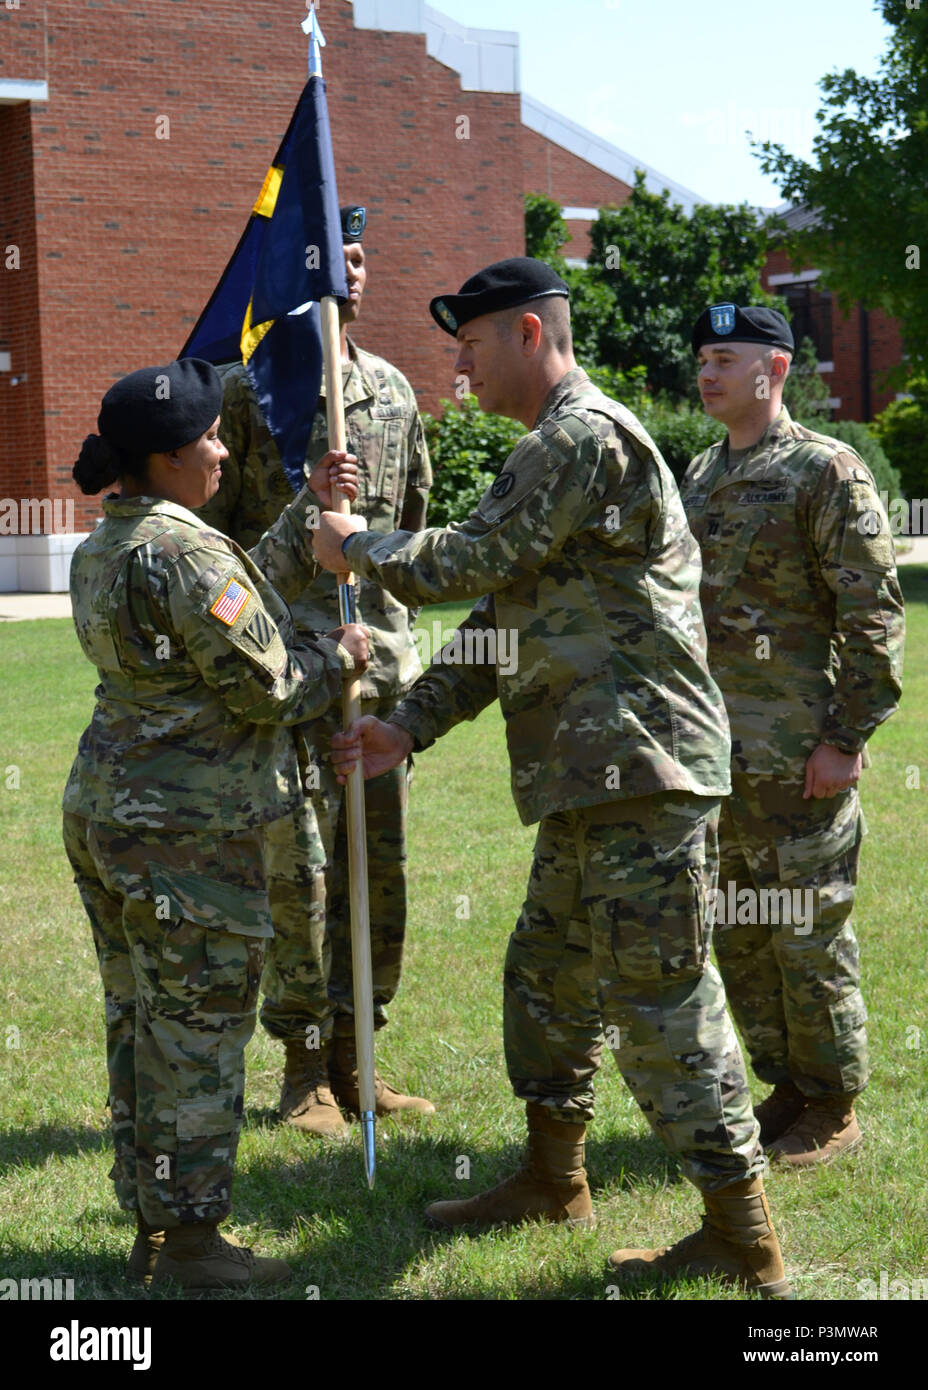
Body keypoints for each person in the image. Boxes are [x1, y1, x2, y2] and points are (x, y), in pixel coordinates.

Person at [312, 258, 793, 1299]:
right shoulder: (549, 450)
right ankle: (552, 1176)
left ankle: (742, 1233)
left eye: (472, 342)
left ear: (529, 333)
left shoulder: (583, 437)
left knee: (661, 1000)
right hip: (593, 775)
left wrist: (360, 547)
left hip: (641, 767)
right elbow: (500, 621)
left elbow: (464, 563)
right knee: (544, 984)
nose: (458, 364)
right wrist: (405, 725)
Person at [63, 358, 368, 1291]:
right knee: (201, 1036)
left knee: (141, 1026)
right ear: (164, 457)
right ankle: (194, 1243)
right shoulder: (187, 552)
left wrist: (299, 513)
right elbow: (269, 684)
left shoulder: (107, 542)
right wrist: (338, 655)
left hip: (110, 815)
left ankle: (153, 1223)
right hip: (187, 836)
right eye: (209, 439)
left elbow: (235, 608)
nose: (225, 450)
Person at [198, 205, 434, 1137]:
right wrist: (306, 512)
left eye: (365, 257)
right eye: (335, 258)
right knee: (301, 878)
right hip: (292, 677)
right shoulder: (245, 394)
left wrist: (393, 635)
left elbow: (408, 529)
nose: (354, 273)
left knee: (381, 873)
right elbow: (216, 558)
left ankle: (358, 1052)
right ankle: (302, 1068)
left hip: (378, 681)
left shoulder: (395, 392)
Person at [681, 303, 904, 1166]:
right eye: (702, 357)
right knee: (740, 929)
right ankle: (788, 1085)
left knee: (809, 934)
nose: (707, 373)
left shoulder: (826, 470)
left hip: (801, 756)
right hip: (716, 756)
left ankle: (836, 1102)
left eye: (725, 359)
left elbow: (875, 617)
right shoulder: (700, 473)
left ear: (772, 372)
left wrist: (845, 740)